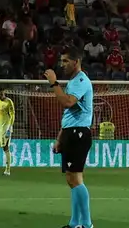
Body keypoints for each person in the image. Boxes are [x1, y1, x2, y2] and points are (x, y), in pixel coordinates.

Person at [47, 49, 96, 228]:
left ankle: (87, 225)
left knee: (74, 179)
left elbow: (67, 102)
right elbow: (69, 113)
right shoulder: (74, 82)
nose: (62, 64)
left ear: (76, 61)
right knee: (73, 178)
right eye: (61, 60)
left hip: (79, 133)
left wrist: (54, 83)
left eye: (66, 61)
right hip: (71, 132)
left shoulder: (81, 80)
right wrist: (60, 137)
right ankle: (75, 223)